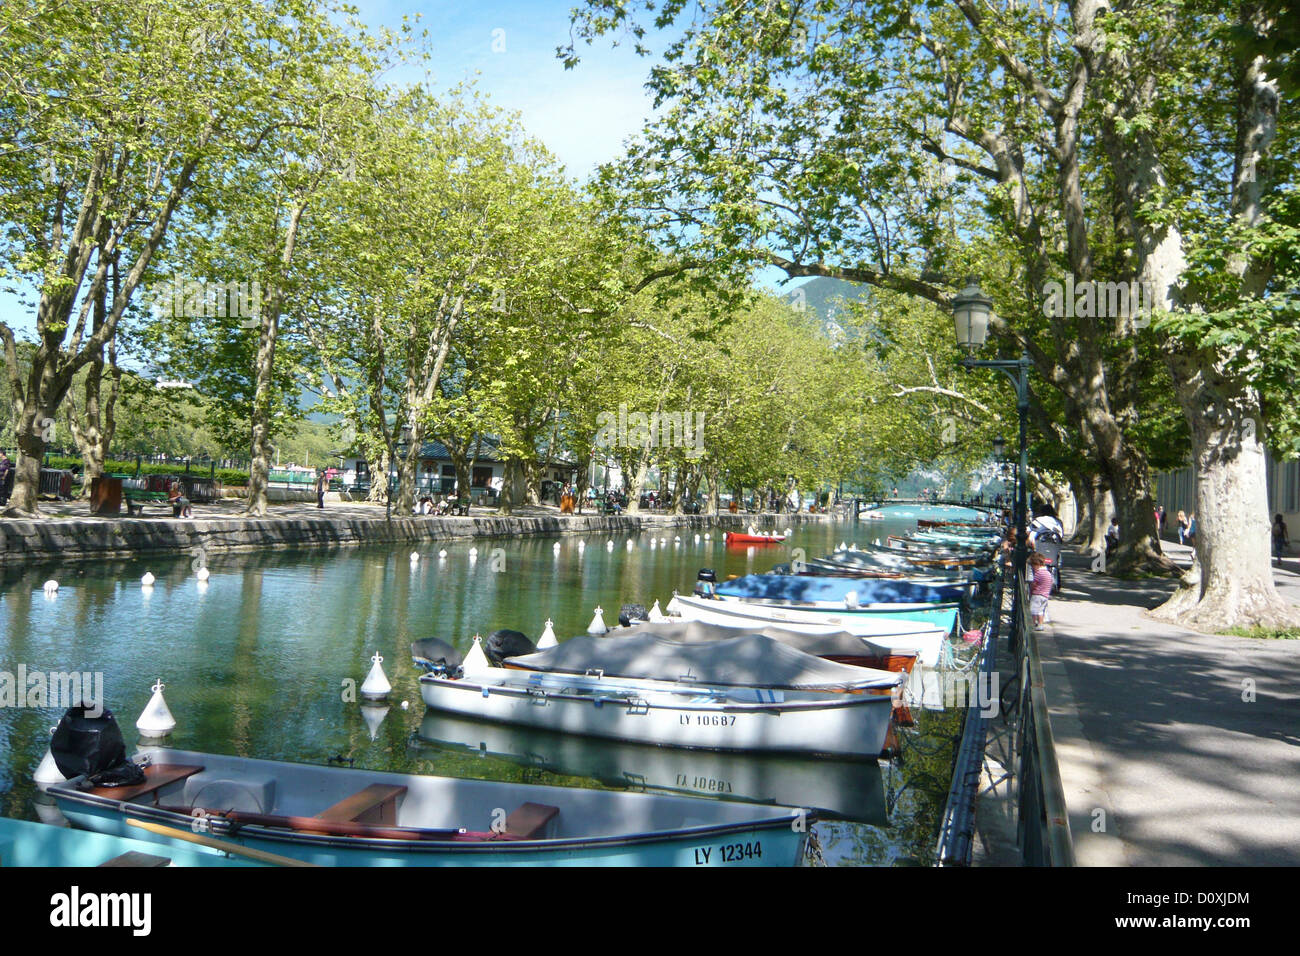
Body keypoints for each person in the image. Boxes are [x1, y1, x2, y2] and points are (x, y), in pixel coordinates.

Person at [1029, 552, 1053, 627]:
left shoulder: (1038, 573)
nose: (1032, 568)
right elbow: (1051, 582)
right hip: (1045, 595)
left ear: (1036, 564)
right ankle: (1040, 624)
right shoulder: (1048, 573)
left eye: (1033, 566)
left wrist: (1031, 590)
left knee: (1033, 610)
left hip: (1037, 595)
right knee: (1040, 611)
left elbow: (1034, 584)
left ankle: (1032, 624)